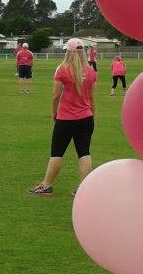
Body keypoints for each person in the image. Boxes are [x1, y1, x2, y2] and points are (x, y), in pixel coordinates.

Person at [29, 38, 96, 196]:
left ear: (69, 51)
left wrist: (53, 113)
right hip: (86, 118)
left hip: (65, 118)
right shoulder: (91, 71)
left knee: (57, 153)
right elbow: (92, 98)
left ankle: (46, 185)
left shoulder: (62, 69)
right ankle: (84, 188)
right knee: (84, 153)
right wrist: (94, 115)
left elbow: (55, 96)